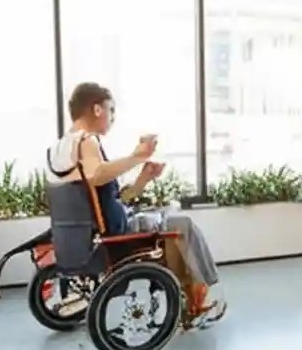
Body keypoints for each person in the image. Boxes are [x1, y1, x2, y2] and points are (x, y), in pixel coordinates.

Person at [47, 82, 224, 326]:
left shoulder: (58, 149)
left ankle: (189, 299)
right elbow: (97, 175)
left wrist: (143, 179)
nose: (112, 118)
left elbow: (109, 200)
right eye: (111, 111)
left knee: (169, 216)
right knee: (180, 225)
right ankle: (195, 302)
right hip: (112, 234)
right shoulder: (86, 141)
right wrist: (138, 156)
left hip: (87, 231)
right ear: (97, 109)